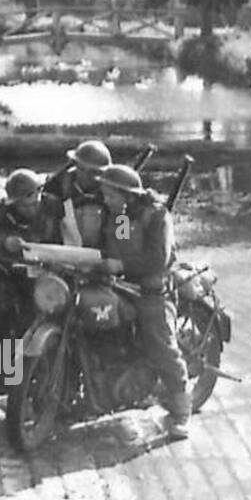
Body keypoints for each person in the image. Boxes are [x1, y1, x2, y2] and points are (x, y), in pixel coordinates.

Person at [96, 163, 190, 440]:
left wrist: (119, 264)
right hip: (125, 287)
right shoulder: (123, 215)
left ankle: (181, 410)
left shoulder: (157, 216)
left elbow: (155, 260)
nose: (106, 201)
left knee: (161, 345)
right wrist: (108, 264)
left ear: (127, 194)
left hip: (154, 291)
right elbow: (121, 248)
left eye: (111, 195)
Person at [0, 168, 61, 259]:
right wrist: (4, 243)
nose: (32, 210)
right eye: (25, 207)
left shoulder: (53, 205)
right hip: (7, 264)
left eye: (35, 204)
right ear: (13, 203)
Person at [44, 139, 112, 249]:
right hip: (64, 255)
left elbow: (124, 236)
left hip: (105, 257)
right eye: (82, 169)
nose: (86, 176)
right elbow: (45, 234)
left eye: (93, 172)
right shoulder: (56, 187)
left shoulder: (116, 193)